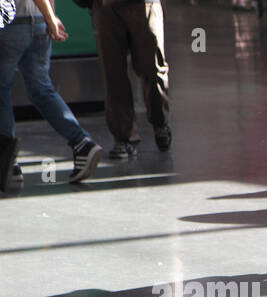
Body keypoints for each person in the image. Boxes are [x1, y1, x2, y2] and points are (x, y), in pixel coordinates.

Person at [0, 0, 104, 191]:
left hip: (11, 23)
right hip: (38, 24)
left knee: (2, 91)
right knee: (41, 89)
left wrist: (50, 17)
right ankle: (82, 143)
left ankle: (7, 164)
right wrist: (50, 18)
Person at [90, 0, 171, 158]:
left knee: (153, 68)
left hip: (144, 5)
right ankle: (123, 137)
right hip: (105, 8)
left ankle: (160, 120)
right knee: (113, 72)